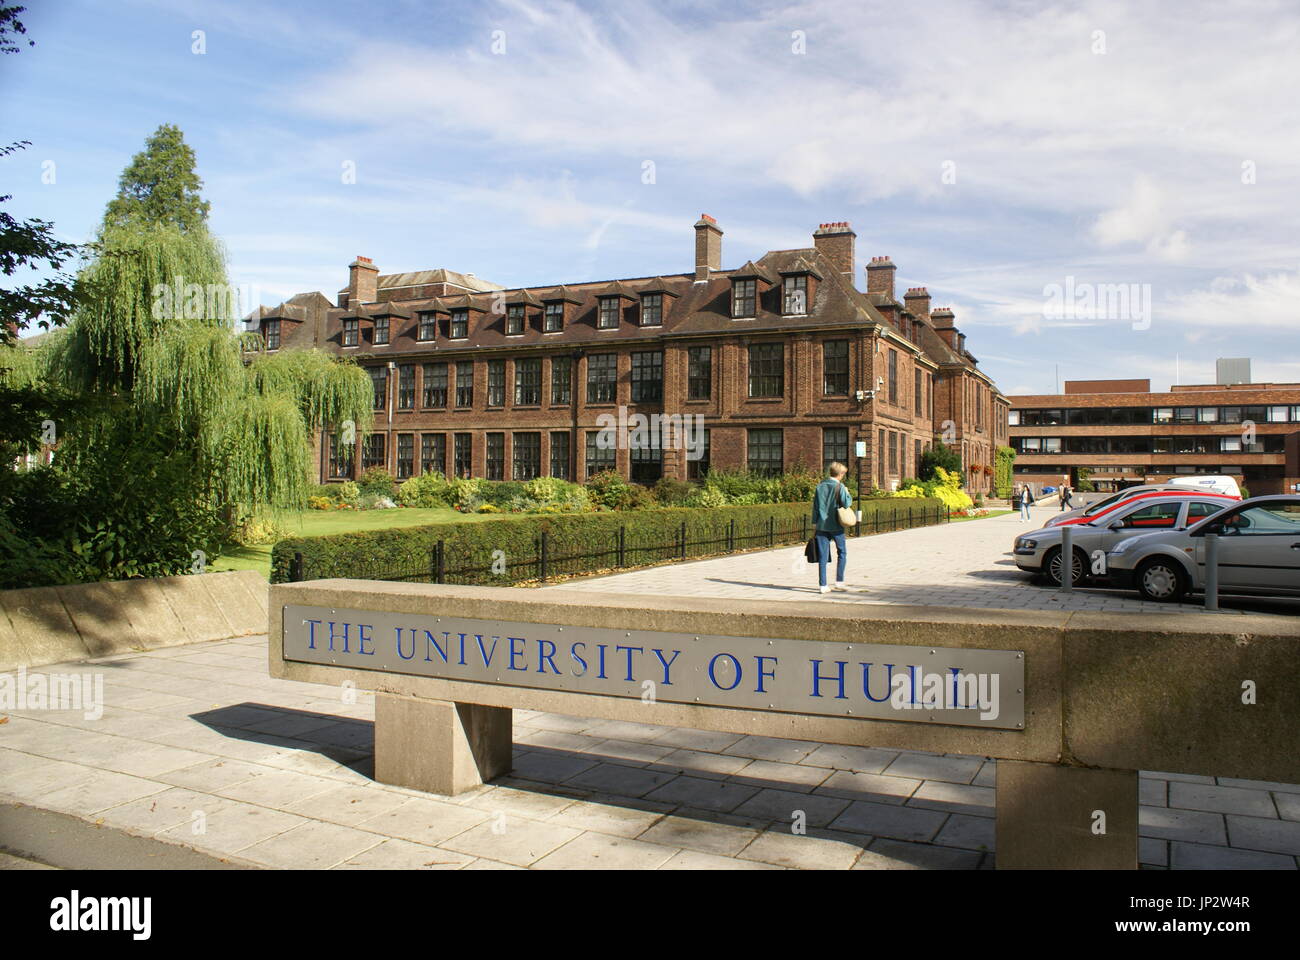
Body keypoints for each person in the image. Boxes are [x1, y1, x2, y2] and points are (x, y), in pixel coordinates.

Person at [811, 462, 852, 594]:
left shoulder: (820, 486)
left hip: (821, 525)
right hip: (836, 525)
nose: (843, 476)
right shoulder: (840, 487)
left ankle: (823, 585)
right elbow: (847, 503)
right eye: (843, 474)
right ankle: (839, 582)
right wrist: (846, 492)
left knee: (822, 555)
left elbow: (815, 507)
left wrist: (814, 523)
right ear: (840, 474)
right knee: (842, 552)